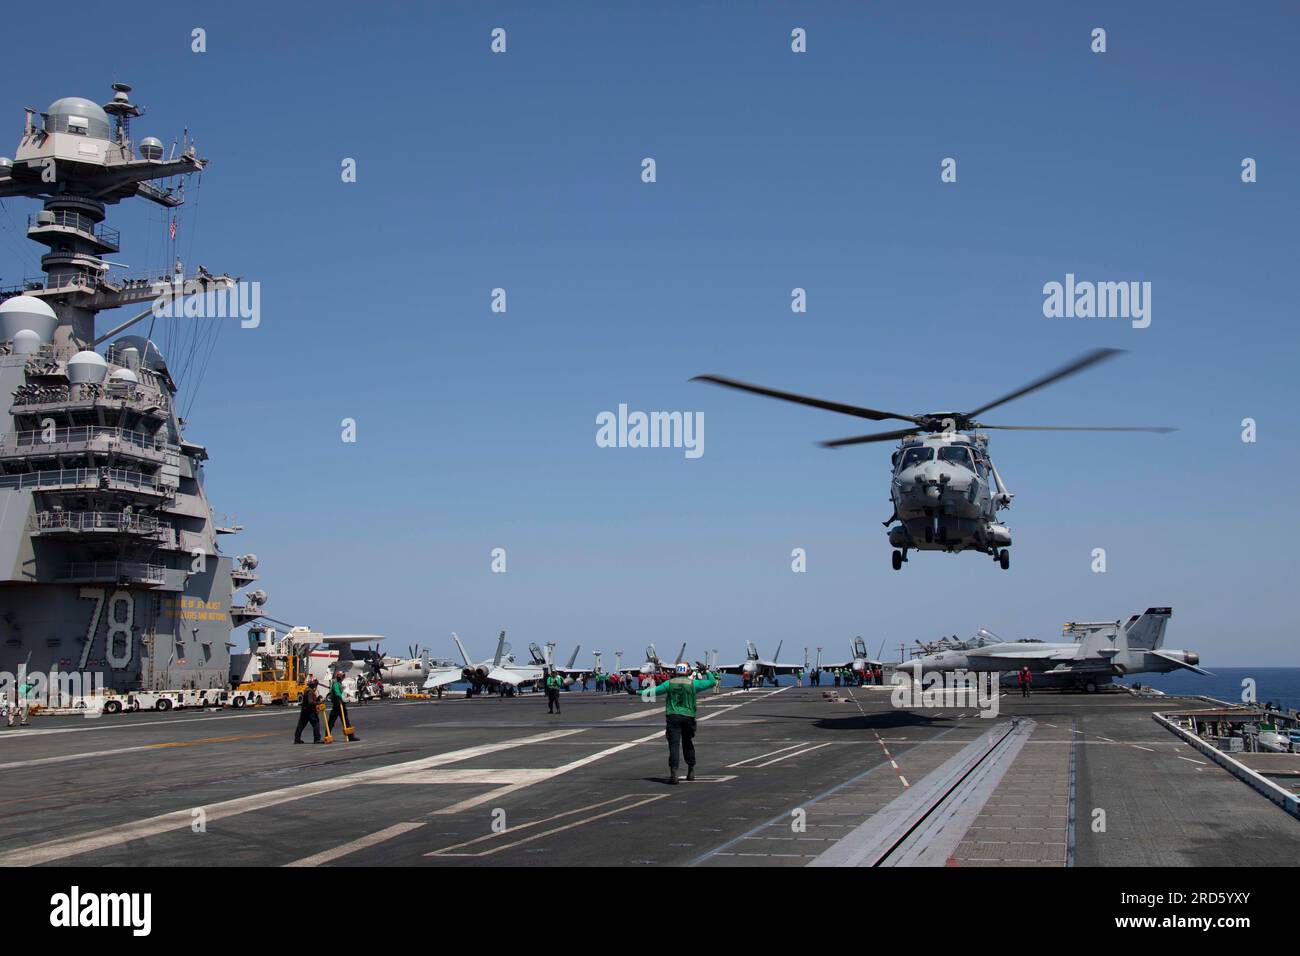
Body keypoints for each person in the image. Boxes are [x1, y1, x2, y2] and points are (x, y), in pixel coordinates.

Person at [644, 662, 718, 785]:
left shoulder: (669, 683)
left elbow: (652, 692)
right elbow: (712, 682)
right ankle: (691, 770)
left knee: (674, 745)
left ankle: (674, 774)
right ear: (688, 671)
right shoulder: (693, 683)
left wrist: (636, 692)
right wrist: (706, 671)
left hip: (673, 717)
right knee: (687, 742)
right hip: (689, 717)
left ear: (676, 671)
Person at [327, 669, 359, 741]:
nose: (343, 678)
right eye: (343, 676)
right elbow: (337, 693)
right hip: (337, 705)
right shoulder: (336, 684)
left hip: (341, 704)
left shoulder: (339, 684)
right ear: (340, 677)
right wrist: (343, 698)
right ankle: (327, 735)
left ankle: (350, 736)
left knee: (346, 721)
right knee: (331, 722)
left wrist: (346, 697)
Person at [294, 677, 323, 744]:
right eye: (315, 683)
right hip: (310, 711)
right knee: (316, 723)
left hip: (305, 710)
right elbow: (310, 702)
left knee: (301, 725)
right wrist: (319, 703)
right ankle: (317, 739)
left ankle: (297, 739)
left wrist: (317, 698)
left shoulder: (307, 690)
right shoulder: (310, 691)